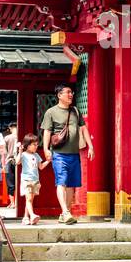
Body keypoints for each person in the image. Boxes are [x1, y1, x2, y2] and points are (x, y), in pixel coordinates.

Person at [40, 83, 93, 225]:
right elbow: (47, 132)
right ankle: (65, 211)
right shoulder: (51, 112)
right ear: (59, 95)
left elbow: (84, 129)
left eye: (72, 92)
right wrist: (45, 148)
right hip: (59, 154)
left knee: (71, 185)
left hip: (74, 154)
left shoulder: (75, 111)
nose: (71, 95)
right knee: (61, 182)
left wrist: (91, 146)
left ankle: (65, 212)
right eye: (68, 92)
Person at [18, 134, 46, 226]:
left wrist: (49, 161)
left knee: (29, 200)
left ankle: (26, 217)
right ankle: (32, 215)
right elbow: (17, 162)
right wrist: (20, 151)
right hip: (26, 180)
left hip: (35, 180)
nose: (36, 146)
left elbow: (41, 167)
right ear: (28, 145)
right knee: (29, 199)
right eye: (34, 144)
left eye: (37, 144)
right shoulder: (23, 154)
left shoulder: (37, 155)